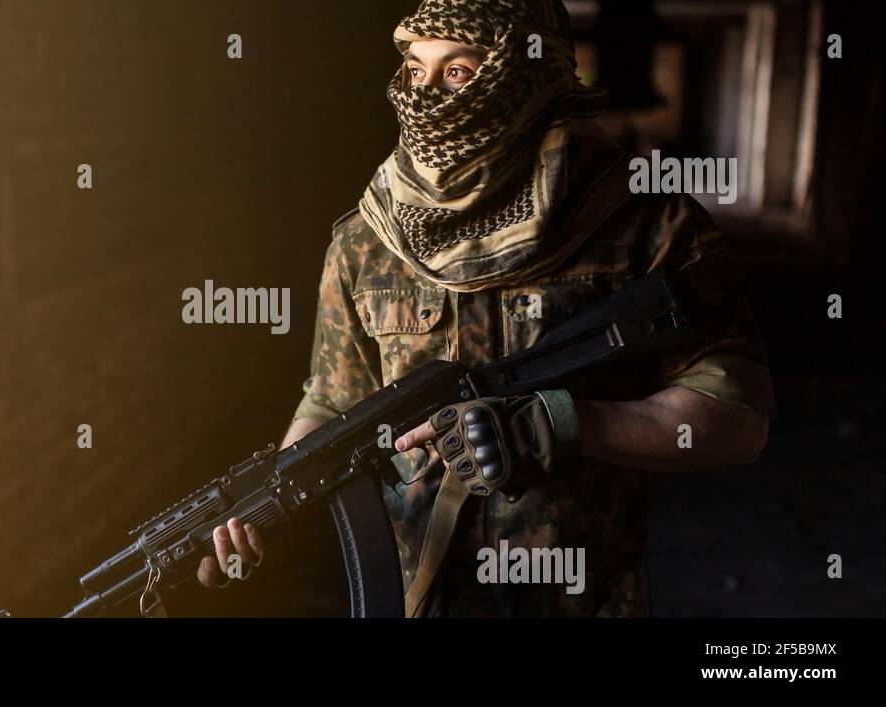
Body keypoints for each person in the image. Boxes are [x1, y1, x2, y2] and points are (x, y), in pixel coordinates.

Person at [196, 0, 774, 617]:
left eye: (459, 72)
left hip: (583, 599)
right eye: (417, 71)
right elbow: (334, 402)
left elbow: (736, 419)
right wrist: (266, 501)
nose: (428, 96)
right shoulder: (368, 241)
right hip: (424, 595)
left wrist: (557, 425)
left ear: (531, 71)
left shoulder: (647, 224)